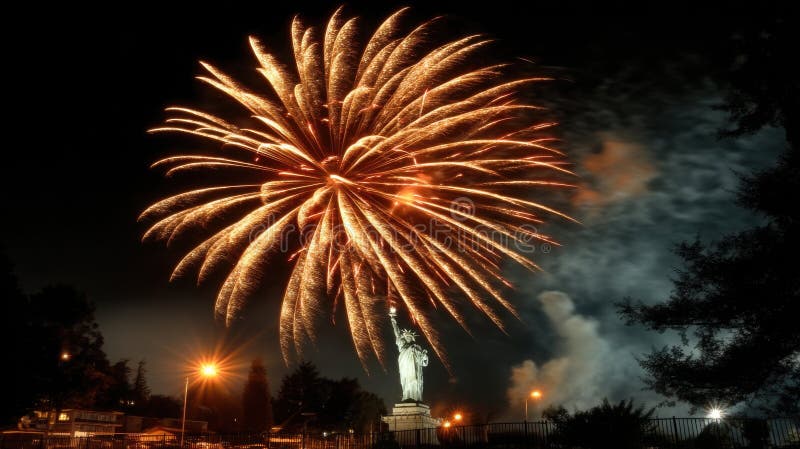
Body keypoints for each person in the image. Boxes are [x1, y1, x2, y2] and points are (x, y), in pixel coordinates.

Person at [389, 308, 428, 402]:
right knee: (405, 381)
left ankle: (416, 398)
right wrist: (393, 320)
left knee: (415, 381)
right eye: (406, 337)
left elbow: (423, 361)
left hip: (415, 367)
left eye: (409, 337)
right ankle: (406, 396)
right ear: (404, 338)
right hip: (405, 365)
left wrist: (424, 356)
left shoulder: (416, 347)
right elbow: (397, 333)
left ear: (412, 338)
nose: (408, 338)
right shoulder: (402, 344)